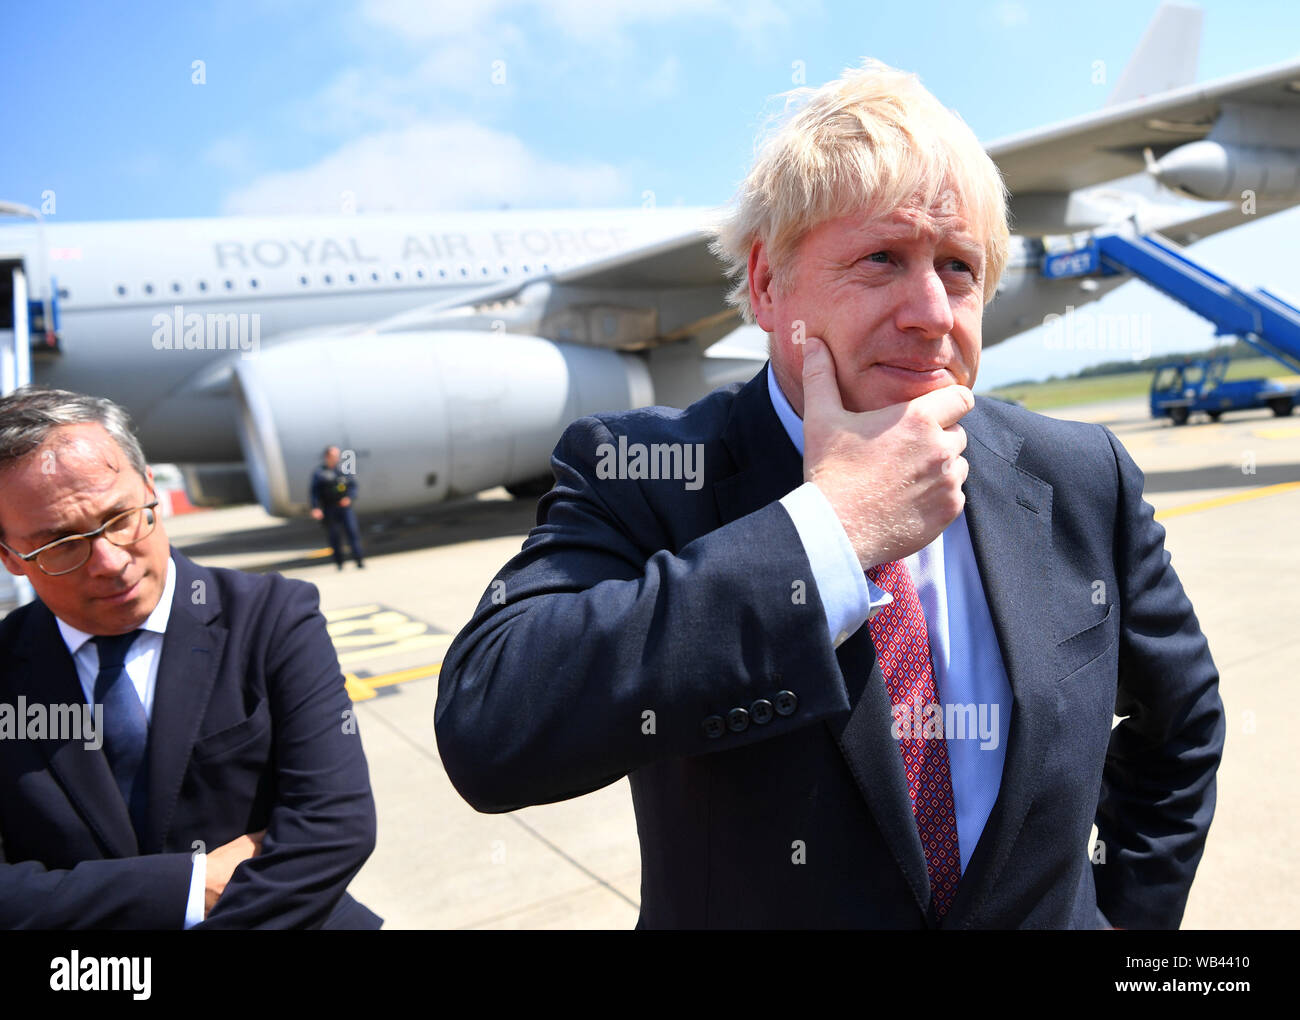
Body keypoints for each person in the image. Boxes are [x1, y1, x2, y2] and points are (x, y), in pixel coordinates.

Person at [434, 60, 1226, 929]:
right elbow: (490, 727)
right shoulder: (649, 471)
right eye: (882, 258)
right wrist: (828, 533)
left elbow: (1178, 732)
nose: (930, 310)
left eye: (959, 267)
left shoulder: (1079, 473)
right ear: (769, 285)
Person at [0, 387, 380, 928]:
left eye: (119, 517)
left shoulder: (273, 616)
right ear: (11, 557)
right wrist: (187, 887)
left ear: (150, 486)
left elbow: (333, 828)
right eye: (61, 542)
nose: (108, 561)